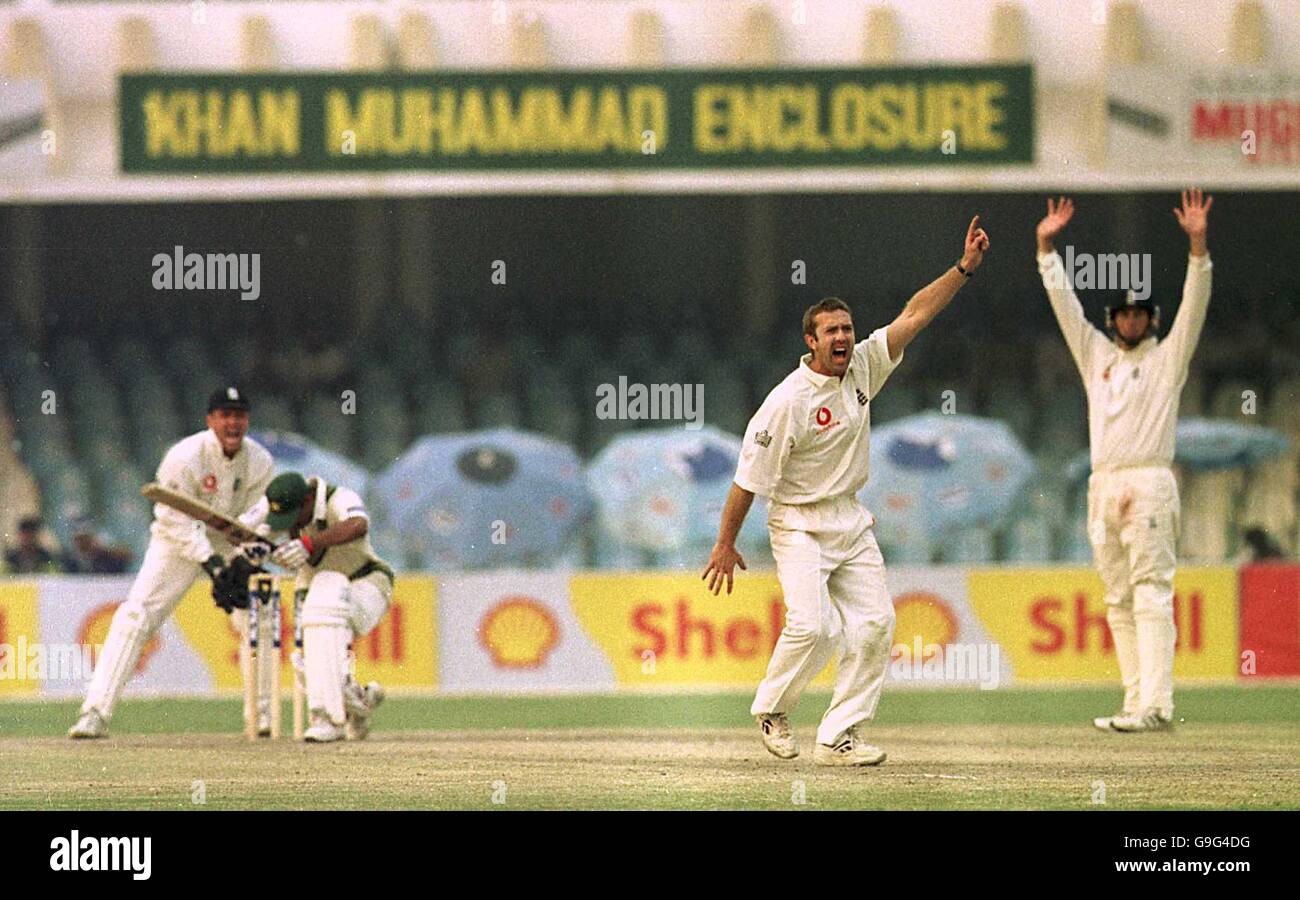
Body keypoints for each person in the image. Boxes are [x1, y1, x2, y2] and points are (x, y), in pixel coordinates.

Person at [702, 216, 991, 766]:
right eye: (830, 331)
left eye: (847, 328)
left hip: (850, 519)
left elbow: (916, 314)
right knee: (815, 627)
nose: (842, 338)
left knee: (878, 623)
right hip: (798, 521)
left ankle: (839, 736)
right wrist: (724, 543)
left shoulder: (862, 366)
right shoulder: (787, 402)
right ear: (810, 341)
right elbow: (747, 479)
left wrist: (962, 270)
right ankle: (773, 708)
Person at [1035, 190, 1213, 733]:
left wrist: (1198, 246)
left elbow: (1194, 303)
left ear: (1151, 318)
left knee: (1152, 590)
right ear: (1113, 318)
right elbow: (1066, 308)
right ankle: (1136, 703)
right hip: (1104, 484)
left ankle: (1158, 705)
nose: (1131, 321)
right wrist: (1046, 250)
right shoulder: (1096, 358)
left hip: (1151, 481)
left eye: (1139, 313)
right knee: (1117, 598)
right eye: (1123, 313)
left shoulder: (1167, 359)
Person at [68, 387, 276, 739]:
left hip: (230, 542)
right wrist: (210, 563)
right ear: (210, 420)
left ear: (247, 420)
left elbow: (263, 520)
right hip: (176, 543)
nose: (232, 422)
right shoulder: (184, 456)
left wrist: (240, 563)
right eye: (225, 415)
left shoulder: (260, 462)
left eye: (239, 415)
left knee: (261, 618)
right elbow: (174, 518)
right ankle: (95, 712)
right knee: (135, 617)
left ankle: (261, 719)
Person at [248, 471, 390, 743]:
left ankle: (328, 718)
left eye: (294, 519)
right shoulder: (281, 503)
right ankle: (359, 704)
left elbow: (358, 524)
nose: (290, 527)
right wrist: (253, 548)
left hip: (367, 584)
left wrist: (310, 543)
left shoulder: (340, 498)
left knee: (327, 587)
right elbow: (246, 530)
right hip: (315, 594)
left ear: (309, 500)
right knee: (308, 663)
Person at [63, 517, 133, 574]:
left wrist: (105, 549)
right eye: (80, 539)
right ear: (74, 540)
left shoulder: (104, 557)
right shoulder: (69, 560)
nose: (83, 543)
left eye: (86, 539)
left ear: (93, 539)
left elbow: (128, 555)